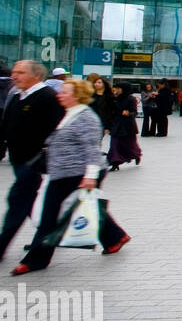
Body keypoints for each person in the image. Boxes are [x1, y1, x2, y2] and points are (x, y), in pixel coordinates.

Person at [10, 79, 130, 275]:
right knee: (76, 209)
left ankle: (35, 259)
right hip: (61, 173)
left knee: (57, 214)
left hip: (78, 173)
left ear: (77, 95)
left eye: (64, 92)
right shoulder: (68, 114)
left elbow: (92, 150)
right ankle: (115, 236)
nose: (60, 95)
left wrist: (90, 176)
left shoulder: (86, 118)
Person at [0, 61, 65, 264]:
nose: (14, 76)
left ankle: (1, 246)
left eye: (20, 72)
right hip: (19, 160)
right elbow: (6, 126)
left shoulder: (48, 97)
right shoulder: (16, 95)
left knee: (17, 201)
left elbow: (58, 131)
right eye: (14, 72)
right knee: (27, 204)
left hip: (37, 163)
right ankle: (111, 235)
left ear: (36, 76)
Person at [106, 81, 142, 170]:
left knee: (130, 144)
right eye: (116, 88)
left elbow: (134, 112)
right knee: (114, 144)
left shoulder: (131, 99)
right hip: (116, 124)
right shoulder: (115, 98)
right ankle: (115, 163)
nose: (116, 90)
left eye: (119, 88)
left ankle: (136, 155)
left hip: (128, 126)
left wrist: (128, 113)